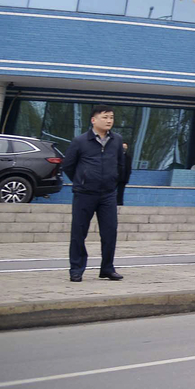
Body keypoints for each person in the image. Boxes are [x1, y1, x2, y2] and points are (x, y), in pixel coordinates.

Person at [62, 105, 127, 282]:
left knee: (110, 232)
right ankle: (76, 269)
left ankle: (107, 268)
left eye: (111, 117)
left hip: (107, 194)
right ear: (93, 120)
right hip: (84, 194)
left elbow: (121, 165)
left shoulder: (117, 140)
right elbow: (68, 165)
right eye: (105, 117)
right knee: (78, 232)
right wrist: (82, 180)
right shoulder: (80, 141)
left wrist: (113, 182)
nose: (109, 121)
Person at [116, 142, 132, 207]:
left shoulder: (128, 157)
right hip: (115, 177)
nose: (124, 148)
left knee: (121, 191)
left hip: (123, 178)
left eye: (125, 147)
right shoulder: (116, 156)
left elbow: (128, 168)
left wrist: (127, 178)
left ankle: (119, 202)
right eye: (123, 147)